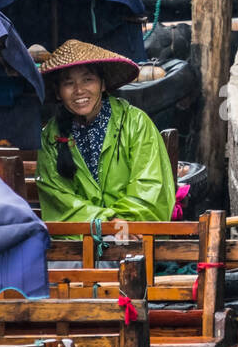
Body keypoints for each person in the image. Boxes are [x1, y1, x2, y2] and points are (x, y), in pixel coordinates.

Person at [35, 40, 175, 223]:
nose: (79, 90)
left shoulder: (135, 123)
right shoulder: (50, 137)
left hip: (136, 237)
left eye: (88, 80)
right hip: (79, 242)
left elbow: (150, 188)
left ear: (102, 84)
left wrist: (121, 224)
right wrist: (106, 222)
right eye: (69, 83)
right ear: (58, 92)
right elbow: (58, 200)